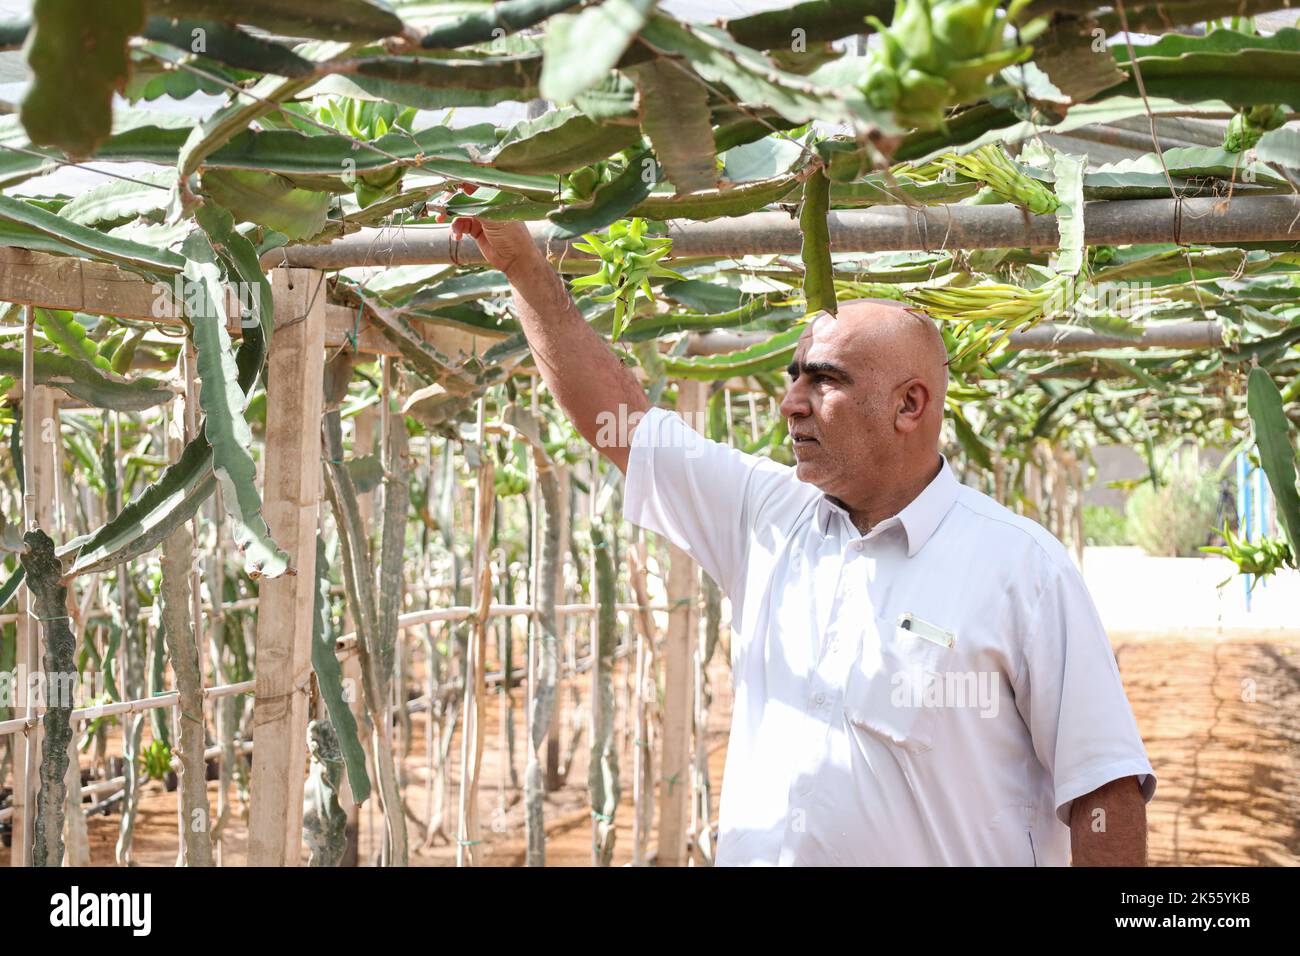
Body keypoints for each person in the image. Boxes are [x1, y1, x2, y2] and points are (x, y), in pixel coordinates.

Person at [453, 215, 1157, 867]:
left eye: (823, 382)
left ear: (910, 404)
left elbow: (1104, 791)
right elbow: (619, 421)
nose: (791, 403)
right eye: (793, 378)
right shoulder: (766, 516)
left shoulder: (1021, 570)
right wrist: (523, 266)